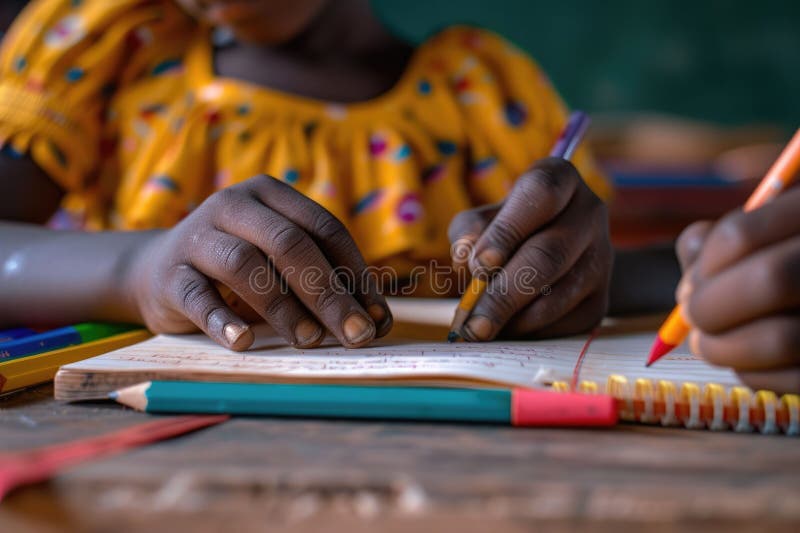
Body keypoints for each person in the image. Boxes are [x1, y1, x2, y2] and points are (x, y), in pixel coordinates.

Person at [0, 0, 614, 352]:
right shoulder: (111, 47)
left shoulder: (481, 93)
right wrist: (138, 271)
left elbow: (614, 266)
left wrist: (577, 270)